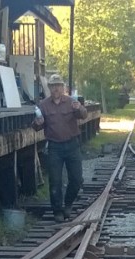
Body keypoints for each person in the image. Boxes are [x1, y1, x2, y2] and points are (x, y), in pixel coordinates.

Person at [32, 74, 86, 222]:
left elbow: (83, 115)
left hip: (72, 145)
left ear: (63, 88)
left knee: (76, 179)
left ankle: (68, 204)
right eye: (53, 86)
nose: (56, 88)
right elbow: (36, 127)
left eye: (58, 85)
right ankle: (57, 211)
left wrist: (79, 108)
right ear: (49, 88)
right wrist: (38, 122)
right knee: (55, 182)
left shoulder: (71, 102)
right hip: (54, 147)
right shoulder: (43, 105)